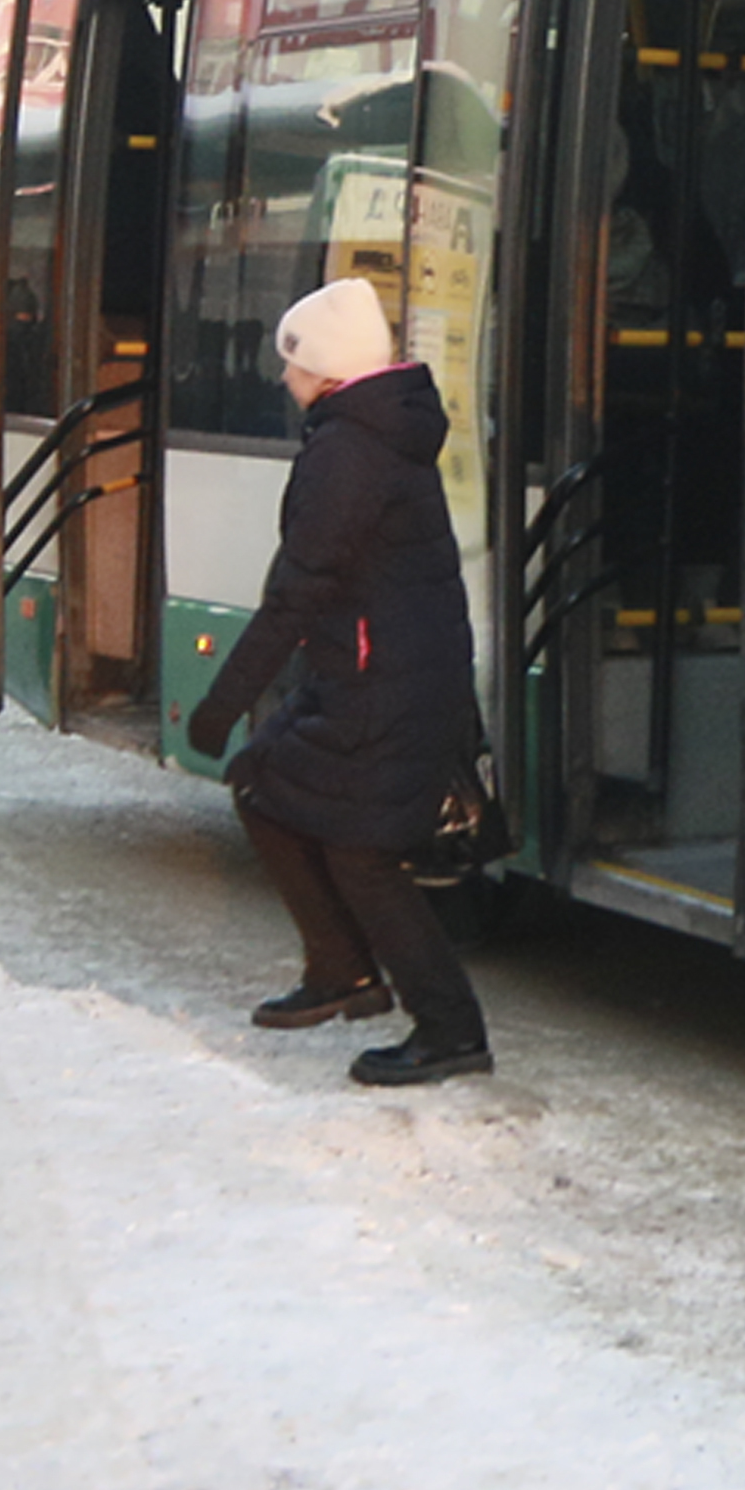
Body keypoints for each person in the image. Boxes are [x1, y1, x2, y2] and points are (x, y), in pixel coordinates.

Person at [185, 274, 490, 1087]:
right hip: (366, 671)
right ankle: (342, 972)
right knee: (261, 782)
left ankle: (451, 1029)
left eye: (292, 363)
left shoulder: (352, 450)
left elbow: (299, 588)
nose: (284, 378)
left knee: (363, 852)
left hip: (383, 682)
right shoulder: (365, 431)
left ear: (324, 370)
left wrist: (223, 701)